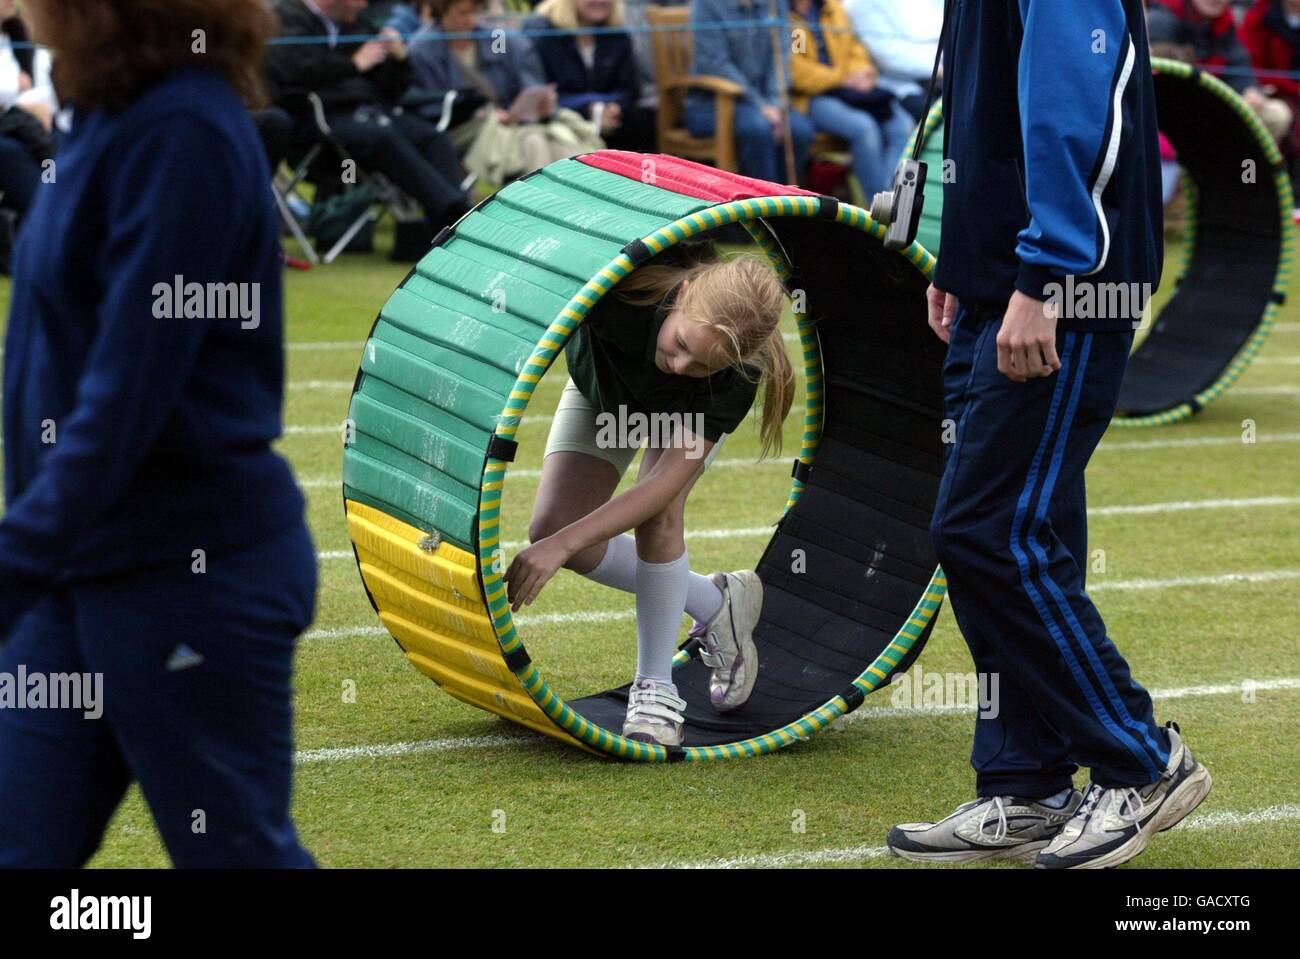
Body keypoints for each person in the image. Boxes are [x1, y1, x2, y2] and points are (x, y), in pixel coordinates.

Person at [890, 0, 1212, 869]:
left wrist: (1046, 275)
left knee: (990, 528)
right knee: (1020, 527)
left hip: (1063, 287)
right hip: (996, 280)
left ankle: (1143, 759)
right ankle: (1025, 782)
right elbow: (984, 110)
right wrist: (961, 257)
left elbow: (1078, 108)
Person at [0, 0, 317, 868]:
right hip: (71, 575)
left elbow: (122, 402)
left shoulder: (183, 131)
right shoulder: (103, 113)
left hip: (189, 580)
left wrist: (11, 558)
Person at [505, 245, 792, 746]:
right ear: (682, 293)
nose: (680, 365)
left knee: (658, 517)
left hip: (677, 418)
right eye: (681, 343)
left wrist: (563, 546)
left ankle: (656, 690)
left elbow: (659, 490)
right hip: (604, 392)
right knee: (550, 526)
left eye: (702, 365)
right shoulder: (623, 284)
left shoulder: (729, 378)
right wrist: (560, 541)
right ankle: (716, 601)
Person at [267, 0, 471, 231]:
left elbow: (391, 90)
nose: (364, 5)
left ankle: (441, 232)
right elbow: (292, 72)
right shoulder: (286, 18)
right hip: (315, 120)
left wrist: (399, 60)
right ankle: (458, 212)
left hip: (370, 112)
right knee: (382, 136)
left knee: (433, 137)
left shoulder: (358, 26)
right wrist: (353, 65)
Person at [410, 0, 604, 185]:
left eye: (473, 11)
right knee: (534, 142)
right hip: (466, 127)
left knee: (560, 141)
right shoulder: (425, 46)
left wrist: (537, 101)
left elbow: (517, 68)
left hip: (514, 119)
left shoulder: (496, 38)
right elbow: (431, 106)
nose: (470, 19)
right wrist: (481, 112)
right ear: (442, 11)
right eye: (462, 13)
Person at [788, 0, 916, 196]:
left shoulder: (833, 9)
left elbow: (856, 50)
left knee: (902, 124)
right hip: (813, 97)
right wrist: (843, 79)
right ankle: (879, 204)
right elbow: (799, 73)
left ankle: (892, 196)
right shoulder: (787, 18)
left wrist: (861, 74)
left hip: (853, 93)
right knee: (864, 128)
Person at [684, 0, 814, 184]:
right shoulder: (706, 4)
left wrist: (774, 103)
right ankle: (762, 206)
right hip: (714, 104)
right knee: (758, 129)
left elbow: (782, 56)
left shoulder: (775, 4)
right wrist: (762, 106)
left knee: (800, 130)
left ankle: (788, 205)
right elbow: (716, 64)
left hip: (768, 103)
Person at [1148, 0, 1294, 142]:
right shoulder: (1161, 20)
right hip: (1172, 112)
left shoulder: (1225, 23)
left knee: (1276, 114)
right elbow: (1160, 84)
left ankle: (1244, 165)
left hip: (1212, 106)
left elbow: (1239, 65)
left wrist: (1250, 90)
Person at [524, 0, 657, 152]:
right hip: (561, 116)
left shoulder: (617, 35)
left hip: (610, 115)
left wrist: (605, 109)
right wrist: (591, 108)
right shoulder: (544, 33)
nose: (600, 1)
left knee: (642, 121)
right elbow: (541, 95)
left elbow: (630, 90)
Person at [842, 0, 944, 118]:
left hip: (938, 77)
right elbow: (888, 56)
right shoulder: (860, 4)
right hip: (901, 87)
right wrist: (940, 70)